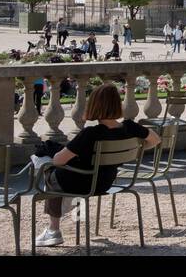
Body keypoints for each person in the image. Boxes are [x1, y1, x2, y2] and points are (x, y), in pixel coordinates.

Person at [32, 83, 158, 247]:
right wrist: (135, 151)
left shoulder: (91, 134)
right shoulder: (130, 128)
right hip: (104, 182)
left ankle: (53, 229)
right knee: (56, 169)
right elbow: (156, 140)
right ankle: (63, 210)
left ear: (94, 105)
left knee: (45, 164)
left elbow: (58, 161)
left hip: (81, 183)